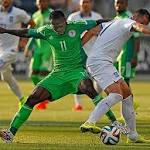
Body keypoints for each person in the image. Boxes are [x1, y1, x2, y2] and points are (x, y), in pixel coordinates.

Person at [0, 10, 119, 143]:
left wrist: (118, 21)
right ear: (51, 24)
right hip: (57, 74)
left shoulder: (77, 25)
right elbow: (27, 32)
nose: (58, 29)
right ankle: (10, 133)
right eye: (55, 26)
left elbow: (98, 22)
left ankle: (114, 122)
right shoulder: (46, 31)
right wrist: (5, 30)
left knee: (89, 88)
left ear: (66, 21)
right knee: (32, 99)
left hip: (76, 71)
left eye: (61, 25)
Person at [80, 9, 150, 143]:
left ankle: (133, 135)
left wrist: (78, 47)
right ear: (136, 16)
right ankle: (90, 122)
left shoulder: (114, 22)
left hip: (104, 62)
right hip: (98, 62)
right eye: (143, 22)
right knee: (116, 95)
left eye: (145, 23)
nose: (143, 25)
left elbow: (92, 31)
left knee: (127, 95)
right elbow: (138, 26)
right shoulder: (128, 22)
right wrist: (142, 27)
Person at [68, 0, 103, 111]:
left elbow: (102, 31)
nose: (86, 4)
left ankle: (97, 99)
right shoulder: (73, 17)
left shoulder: (97, 16)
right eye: (84, 2)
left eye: (88, 2)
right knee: (78, 79)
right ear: (80, 4)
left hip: (94, 52)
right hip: (78, 53)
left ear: (91, 4)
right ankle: (78, 104)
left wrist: (94, 31)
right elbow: (67, 33)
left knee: (99, 81)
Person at [0, 0, 35, 108]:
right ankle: (22, 99)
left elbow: (32, 23)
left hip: (11, 50)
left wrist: (25, 39)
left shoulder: (18, 12)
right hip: (1, 50)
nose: (5, 1)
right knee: (7, 78)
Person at [25, 0, 53, 110]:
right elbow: (32, 32)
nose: (42, 3)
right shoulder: (35, 15)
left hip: (49, 48)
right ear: (37, 3)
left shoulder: (52, 14)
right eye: (40, 1)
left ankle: (42, 99)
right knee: (33, 74)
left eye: (44, 1)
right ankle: (43, 96)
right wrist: (28, 46)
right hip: (37, 48)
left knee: (43, 73)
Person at [114, 0, 140, 119]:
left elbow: (137, 37)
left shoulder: (130, 17)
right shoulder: (117, 17)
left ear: (126, 4)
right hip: (119, 54)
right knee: (120, 83)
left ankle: (129, 111)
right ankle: (130, 108)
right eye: (117, 3)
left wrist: (134, 55)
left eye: (122, 3)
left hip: (127, 54)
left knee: (125, 83)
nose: (119, 5)